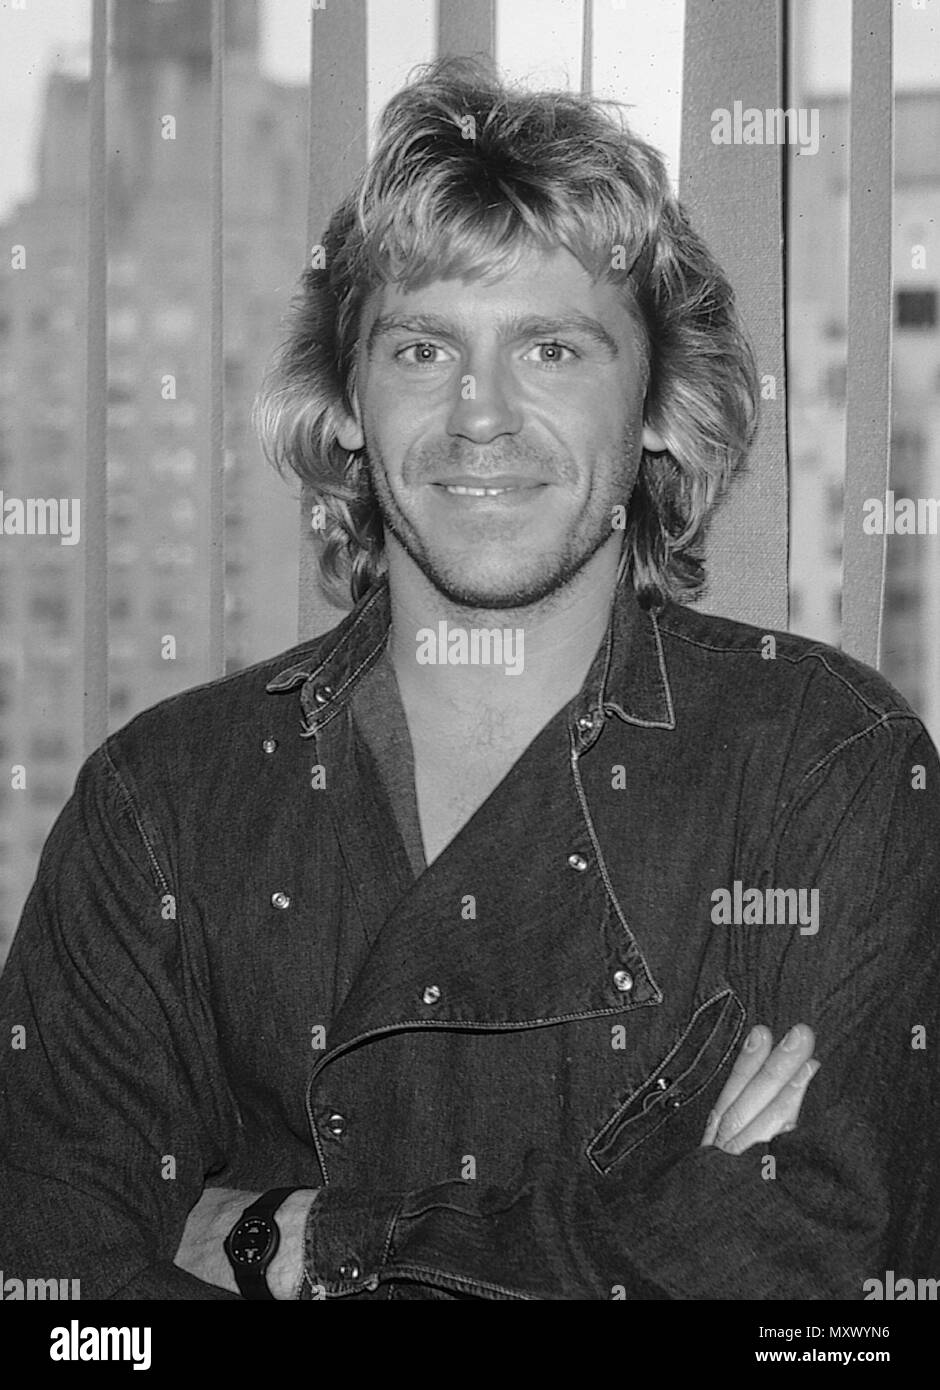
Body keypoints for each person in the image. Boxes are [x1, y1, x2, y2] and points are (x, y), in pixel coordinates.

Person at [1, 57, 938, 1302]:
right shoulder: (157, 809)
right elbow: (65, 1311)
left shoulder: (830, 768)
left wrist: (304, 1240)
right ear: (344, 404)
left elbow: (814, 1288)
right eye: (423, 348)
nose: (480, 414)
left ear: (661, 405)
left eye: (552, 348)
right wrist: (655, 1226)